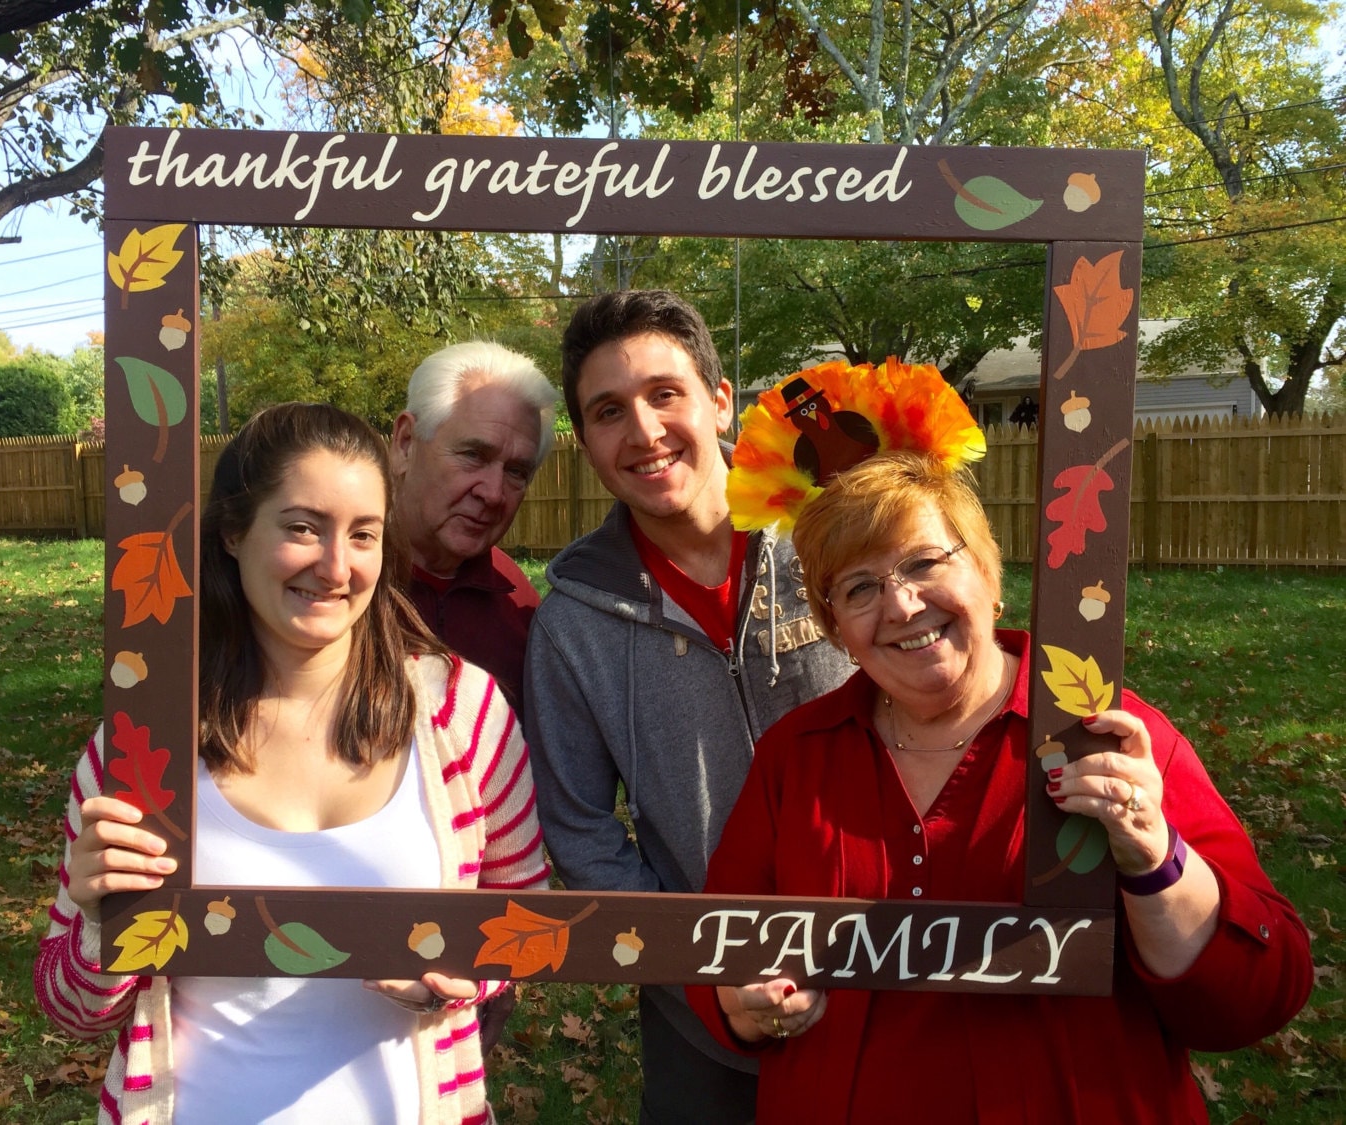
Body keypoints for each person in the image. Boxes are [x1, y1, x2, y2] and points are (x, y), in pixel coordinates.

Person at [689, 449, 1313, 1122]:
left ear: (987, 573)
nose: (900, 603)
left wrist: (1153, 857)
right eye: (859, 587)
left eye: (924, 562)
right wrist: (743, 1002)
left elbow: (1256, 995)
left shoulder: (1106, 734)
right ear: (836, 625)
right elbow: (721, 944)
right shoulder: (798, 754)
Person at [35, 403, 550, 1125]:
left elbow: (525, 926)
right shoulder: (142, 745)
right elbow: (72, 1010)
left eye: (363, 534)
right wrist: (98, 925)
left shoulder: (465, 714)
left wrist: (462, 978)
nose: (336, 567)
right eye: (303, 527)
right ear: (234, 531)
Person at [523, 290, 855, 1123]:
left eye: (663, 393)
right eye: (608, 411)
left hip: (887, 973)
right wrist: (700, 969)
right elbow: (580, 831)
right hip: (703, 1025)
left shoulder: (836, 532)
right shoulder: (572, 620)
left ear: (718, 399)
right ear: (586, 442)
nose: (642, 431)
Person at [390, 340, 558, 722]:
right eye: (473, 455)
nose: (493, 493)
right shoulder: (334, 587)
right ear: (405, 444)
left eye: (516, 472)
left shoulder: (523, 610)